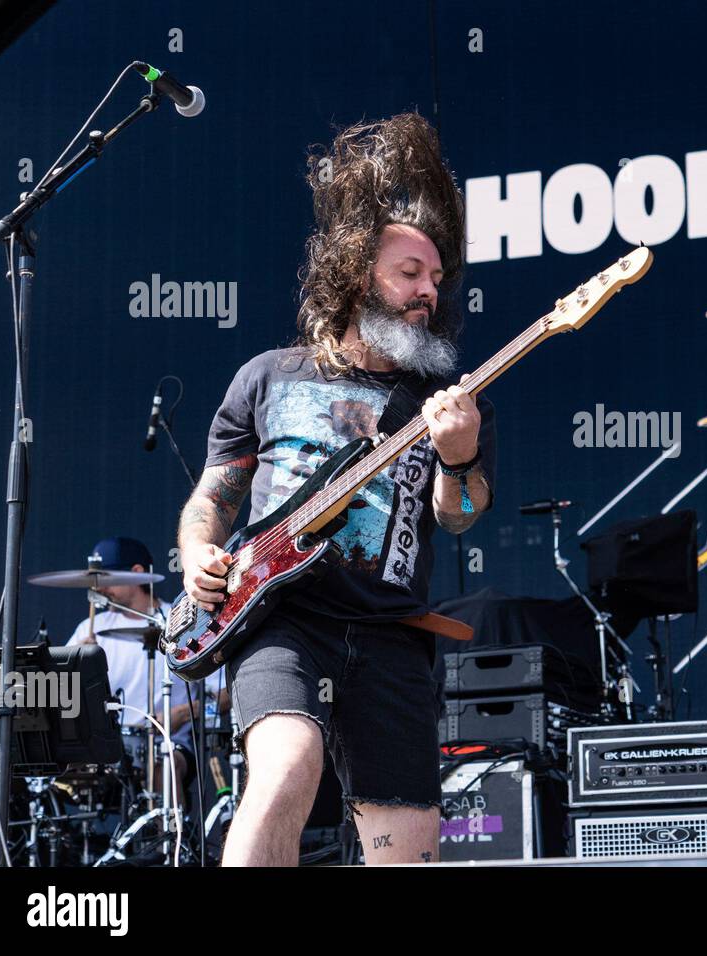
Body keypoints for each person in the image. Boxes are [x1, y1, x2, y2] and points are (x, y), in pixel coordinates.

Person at [176, 112, 496, 866]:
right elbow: (213, 498)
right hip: (284, 621)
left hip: (391, 637)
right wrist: (196, 554)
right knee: (285, 769)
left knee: (408, 850)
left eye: (436, 280)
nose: (428, 292)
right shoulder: (266, 377)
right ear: (359, 275)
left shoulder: (446, 398)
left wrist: (458, 458)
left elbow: (462, 517)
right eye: (410, 274)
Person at [66, 536, 228, 804]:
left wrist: (183, 713)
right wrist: (78, 667)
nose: (100, 588)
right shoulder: (90, 629)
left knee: (164, 765)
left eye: (105, 578)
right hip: (107, 745)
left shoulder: (183, 621)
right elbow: (63, 698)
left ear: (137, 574)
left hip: (167, 743)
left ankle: (171, 840)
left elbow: (226, 694)